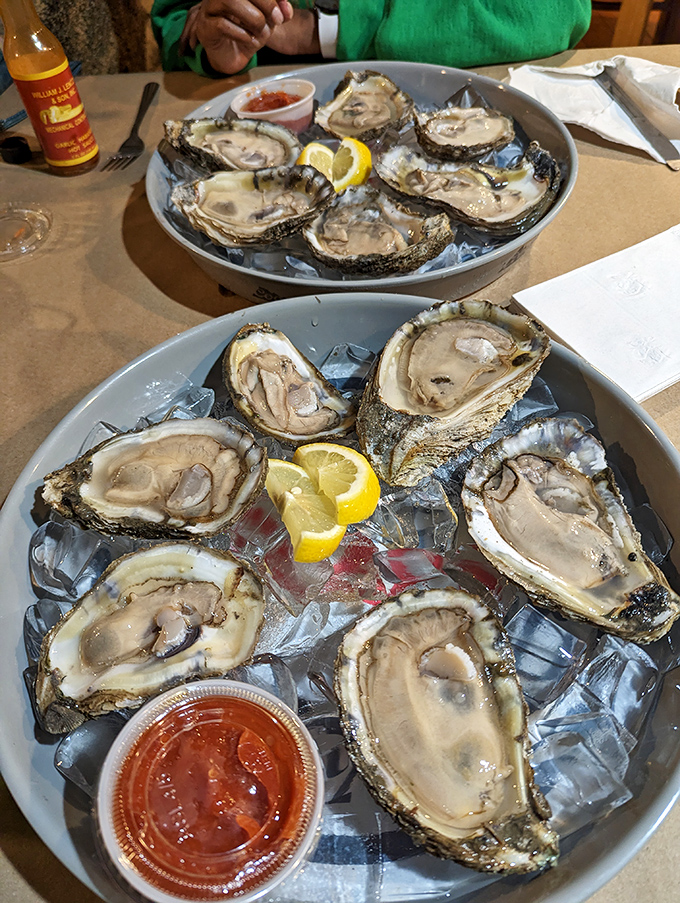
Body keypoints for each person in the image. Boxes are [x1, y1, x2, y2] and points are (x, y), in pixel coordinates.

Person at [150, 0, 591, 78]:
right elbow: (174, 20)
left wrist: (322, 30)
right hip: (256, 90)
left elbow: (557, 11)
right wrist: (217, 43)